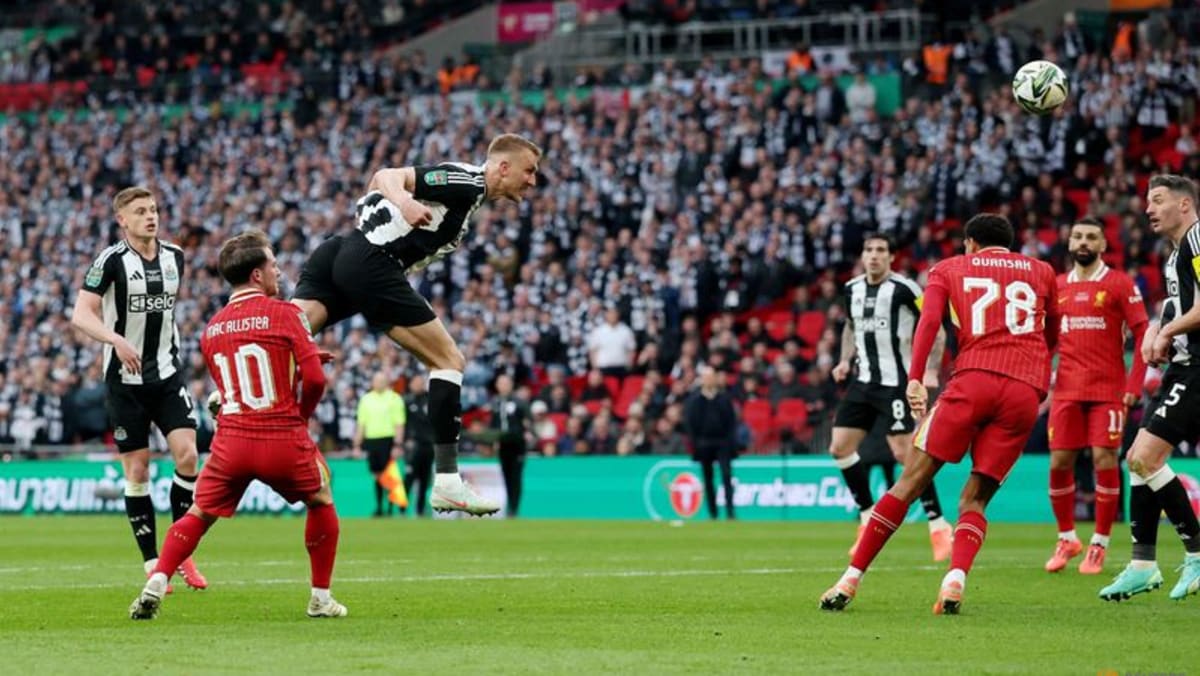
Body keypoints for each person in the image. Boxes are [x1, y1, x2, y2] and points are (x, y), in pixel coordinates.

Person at [291, 133, 542, 517]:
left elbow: (381, 188)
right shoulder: (467, 182)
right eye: (529, 171)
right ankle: (447, 482)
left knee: (288, 334)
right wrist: (406, 202)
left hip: (342, 250)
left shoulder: (470, 197)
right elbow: (387, 174)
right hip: (374, 261)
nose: (532, 181)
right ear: (503, 167)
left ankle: (231, 397)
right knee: (449, 360)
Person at [820, 214, 1059, 615]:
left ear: (970, 243)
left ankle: (850, 578)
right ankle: (955, 579)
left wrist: (916, 379)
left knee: (908, 482)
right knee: (975, 499)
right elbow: (1052, 330)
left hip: (972, 381)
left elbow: (929, 322)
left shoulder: (948, 269)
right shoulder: (1043, 271)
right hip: (1023, 391)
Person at [130, 229, 345, 620]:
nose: (279, 272)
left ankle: (157, 579)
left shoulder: (212, 329)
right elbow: (315, 381)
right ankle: (320, 598)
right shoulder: (287, 313)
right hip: (280, 435)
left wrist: (292, 367)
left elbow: (241, 385)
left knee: (199, 513)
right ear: (258, 275)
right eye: (274, 265)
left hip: (232, 441)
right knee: (322, 499)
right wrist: (300, 416)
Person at [70, 186, 206, 591]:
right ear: (122, 220)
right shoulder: (110, 261)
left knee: (188, 456)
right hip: (124, 383)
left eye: (154, 209)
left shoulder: (175, 257)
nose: (151, 216)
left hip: (165, 375)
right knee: (139, 470)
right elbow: (81, 314)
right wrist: (115, 339)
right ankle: (152, 562)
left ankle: (180, 554)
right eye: (141, 211)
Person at [1100, 175, 1200, 602]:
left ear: (1184, 204)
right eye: (1147, 202)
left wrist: (1167, 331)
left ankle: (1196, 552)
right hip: (1181, 367)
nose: (1148, 209)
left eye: (1157, 201)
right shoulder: (1175, 253)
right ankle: (1143, 564)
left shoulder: (1198, 240)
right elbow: (1179, 307)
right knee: (1136, 460)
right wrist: (1156, 329)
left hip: (1198, 367)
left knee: (1144, 457)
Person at [830, 233, 952, 562]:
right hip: (862, 382)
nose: (873, 256)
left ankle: (938, 525)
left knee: (904, 455)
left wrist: (930, 371)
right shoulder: (852, 288)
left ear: (891, 257)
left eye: (880, 250)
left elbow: (936, 328)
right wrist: (844, 360)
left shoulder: (906, 288)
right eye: (868, 249)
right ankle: (867, 515)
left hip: (895, 383)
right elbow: (850, 327)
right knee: (839, 447)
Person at [1044, 217, 1148, 575]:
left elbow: (1143, 333)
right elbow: (1049, 341)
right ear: (1069, 242)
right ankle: (1067, 537)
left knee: (1105, 458)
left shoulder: (1119, 283)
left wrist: (1135, 387)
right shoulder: (1056, 287)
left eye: (1091, 237)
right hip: (1067, 391)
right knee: (1059, 462)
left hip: (1107, 390)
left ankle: (1099, 544)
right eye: (1077, 236)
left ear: (1103, 245)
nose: (1083, 242)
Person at [684, 366, 739, 520]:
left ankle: (730, 512)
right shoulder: (695, 400)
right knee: (707, 479)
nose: (708, 380)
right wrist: (696, 443)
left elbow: (731, 422)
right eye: (706, 377)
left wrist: (729, 442)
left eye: (711, 376)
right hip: (704, 444)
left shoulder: (724, 399)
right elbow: (691, 424)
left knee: (726, 476)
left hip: (722, 443)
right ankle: (712, 512)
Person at [353, 373, 407, 517]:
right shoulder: (366, 399)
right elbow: (361, 424)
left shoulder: (394, 398)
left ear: (387, 382)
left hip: (388, 440)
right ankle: (379, 507)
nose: (379, 383)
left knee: (388, 474)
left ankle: (390, 508)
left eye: (382, 381)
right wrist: (357, 445)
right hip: (372, 441)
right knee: (376, 475)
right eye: (376, 381)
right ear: (372, 382)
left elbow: (399, 424)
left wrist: (398, 444)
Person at [488, 373, 528, 517]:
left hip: (517, 445)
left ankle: (514, 508)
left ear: (511, 385)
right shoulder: (495, 403)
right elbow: (493, 424)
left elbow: (526, 422)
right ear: (497, 386)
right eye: (501, 383)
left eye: (506, 383)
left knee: (516, 477)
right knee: (506, 477)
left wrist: (525, 432)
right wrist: (493, 441)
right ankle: (510, 507)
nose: (503, 386)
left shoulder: (519, 403)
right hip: (503, 445)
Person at [402, 374, 436, 517]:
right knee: (409, 477)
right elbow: (401, 423)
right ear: (410, 385)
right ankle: (402, 507)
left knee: (424, 478)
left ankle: (420, 510)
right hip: (412, 446)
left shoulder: (430, 400)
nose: (418, 385)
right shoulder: (406, 401)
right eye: (415, 383)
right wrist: (405, 440)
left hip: (428, 446)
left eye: (420, 383)